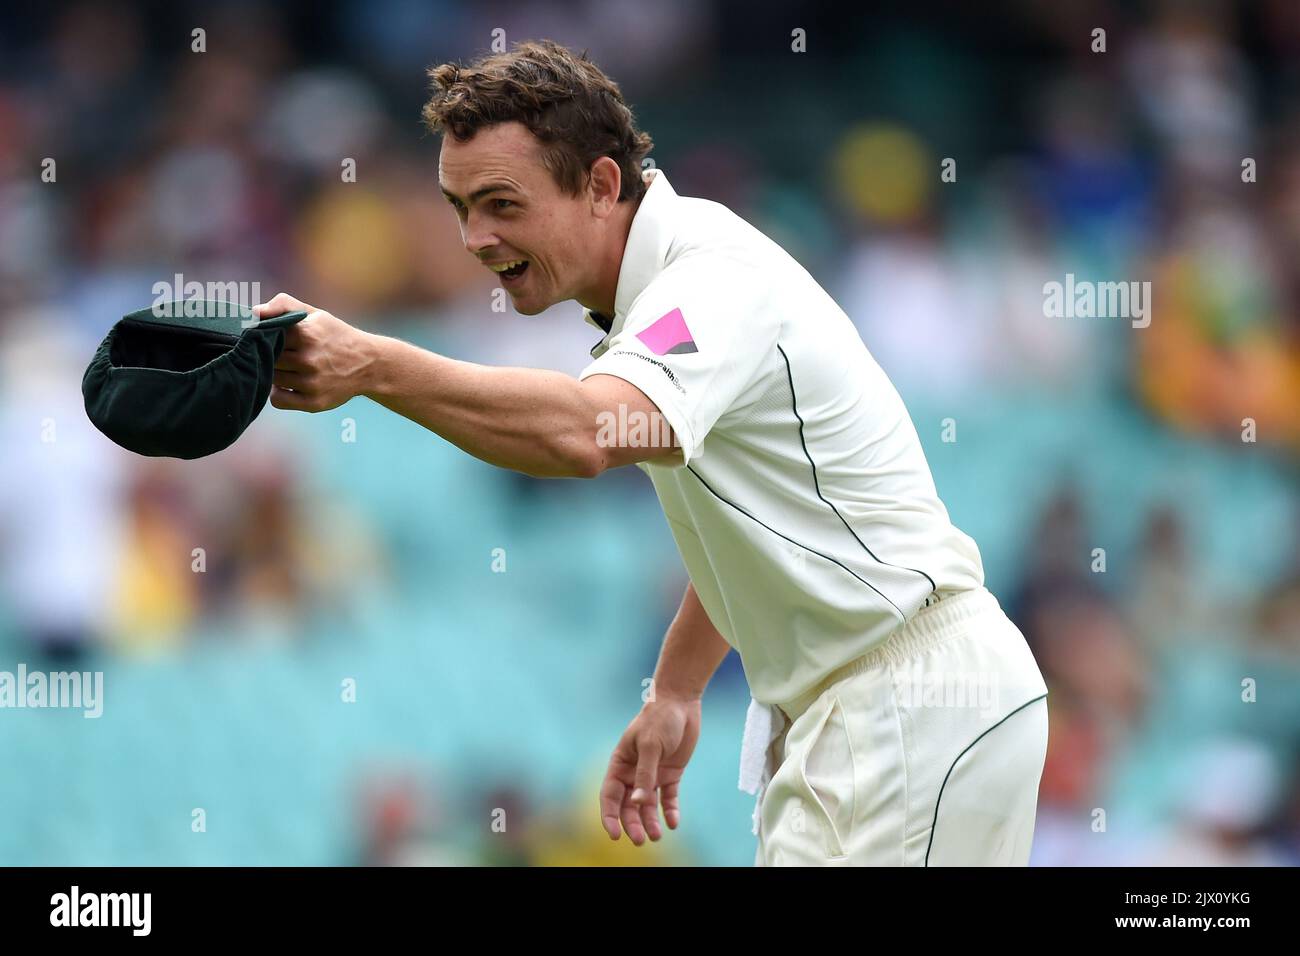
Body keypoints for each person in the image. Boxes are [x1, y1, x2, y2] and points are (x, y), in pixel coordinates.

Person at [253, 39, 1049, 866]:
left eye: (500, 203)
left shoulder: (708, 282)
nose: (474, 238)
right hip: (882, 706)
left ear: (600, 185)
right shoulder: (666, 294)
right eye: (459, 207)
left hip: (906, 705)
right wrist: (677, 685)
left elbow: (592, 436)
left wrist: (374, 365)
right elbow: (763, 517)